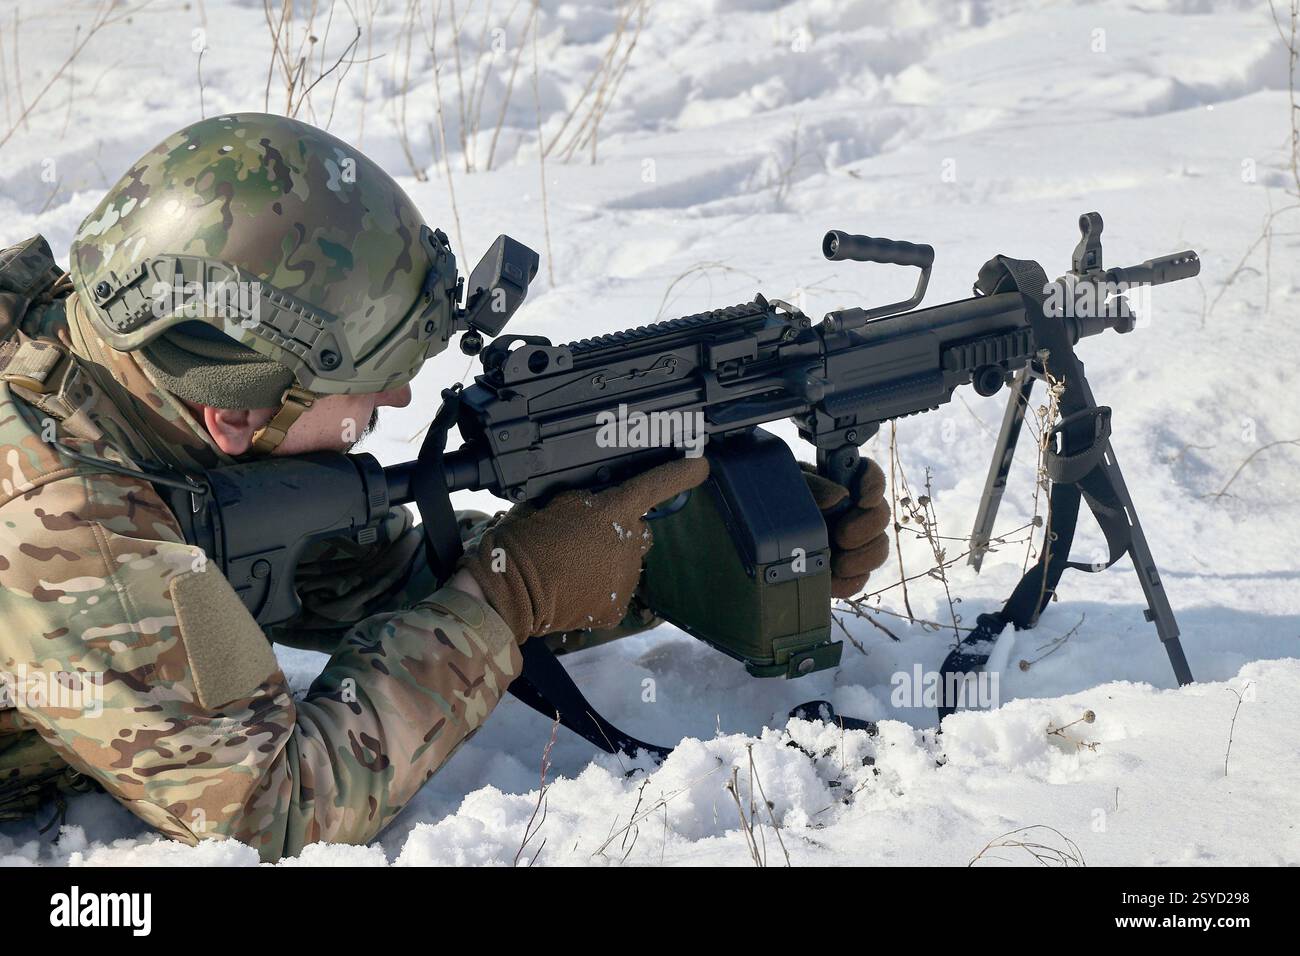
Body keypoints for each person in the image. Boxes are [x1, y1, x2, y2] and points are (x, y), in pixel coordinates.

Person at [0, 113, 889, 861]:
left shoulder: (117, 368)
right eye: (376, 380)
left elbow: (382, 582)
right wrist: (509, 598)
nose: (396, 398)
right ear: (237, 412)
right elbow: (272, 807)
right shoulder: (68, 523)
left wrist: (690, 546)